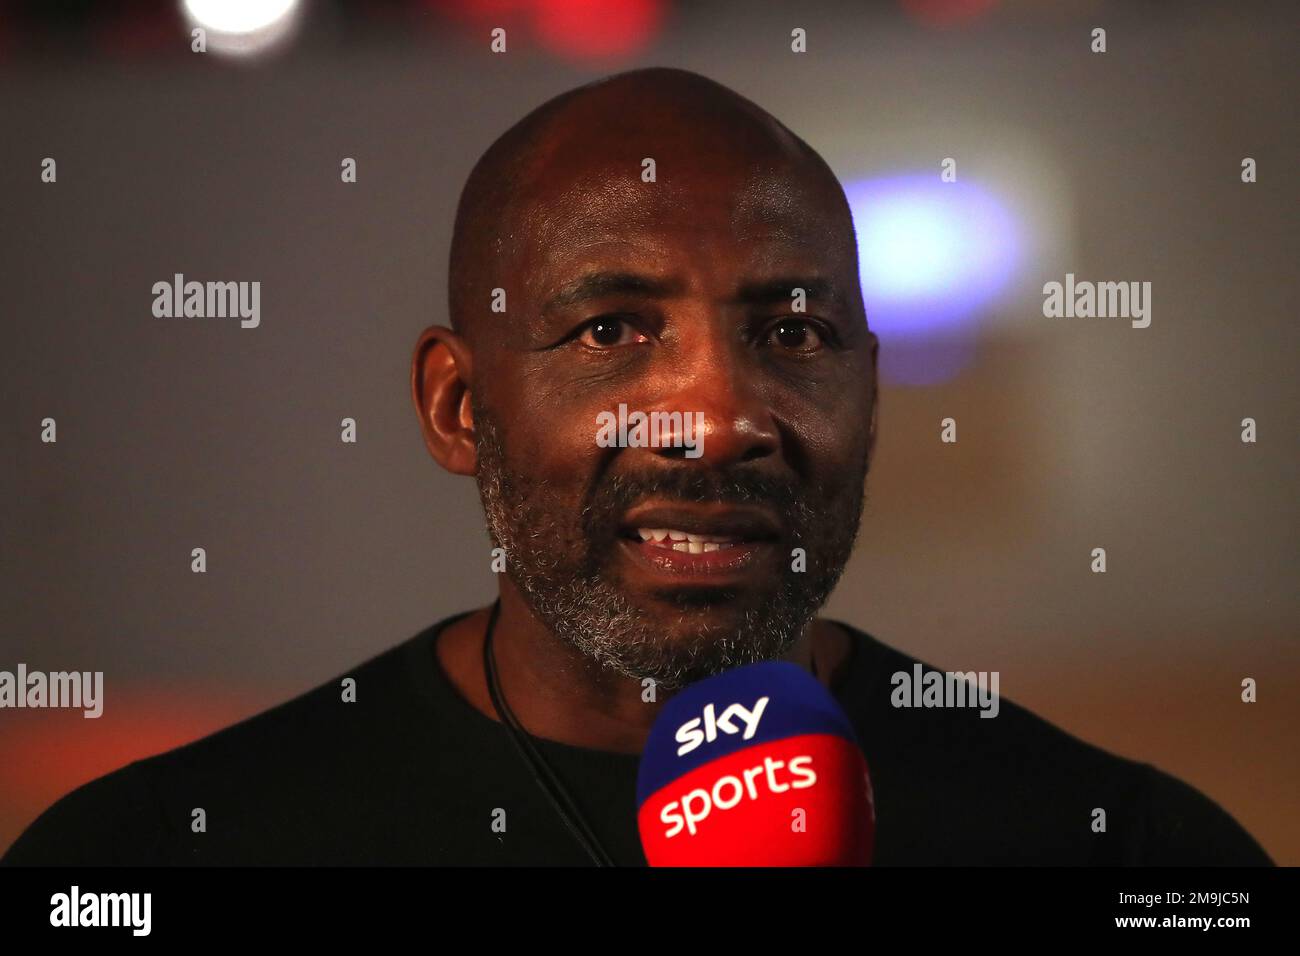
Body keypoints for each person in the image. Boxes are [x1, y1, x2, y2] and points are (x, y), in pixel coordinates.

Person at [2, 68, 1270, 866]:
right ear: (457, 405)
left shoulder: (1128, 849)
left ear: (869, 393)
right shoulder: (153, 858)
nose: (715, 417)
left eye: (791, 332)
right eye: (610, 330)